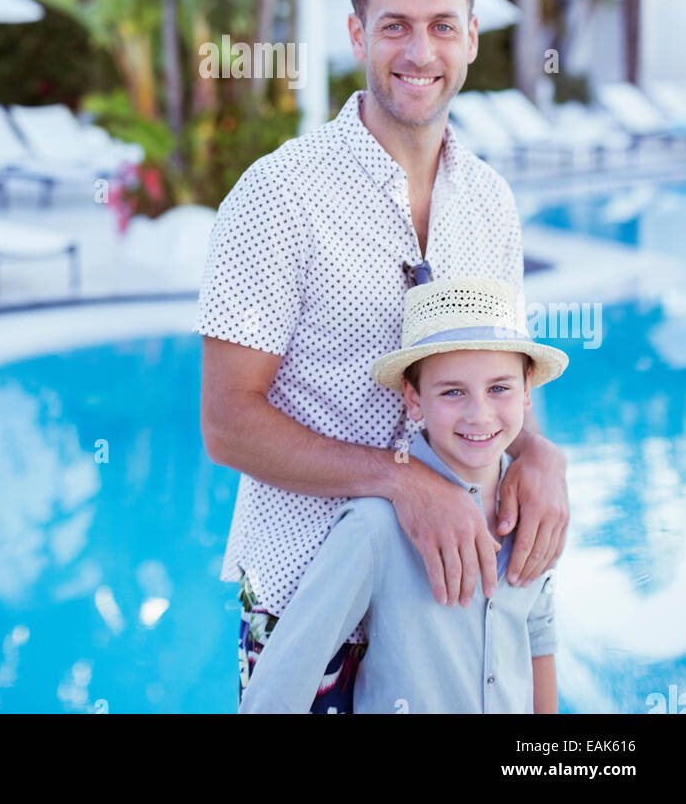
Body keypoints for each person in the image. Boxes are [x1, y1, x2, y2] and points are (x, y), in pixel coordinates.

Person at [197, 0, 569, 713]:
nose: (419, 51)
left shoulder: (492, 201)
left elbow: (504, 376)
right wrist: (402, 485)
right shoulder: (277, 195)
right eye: (394, 25)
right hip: (306, 592)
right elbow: (227, 423)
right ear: (358, 35)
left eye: (442, 26)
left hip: (450, 590)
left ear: (471, 39)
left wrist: (541, 452)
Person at [238, 275, 568, 714]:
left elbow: (538, 635)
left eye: (499, 388)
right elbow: (276, 691)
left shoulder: (534, 508)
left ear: (527, 391)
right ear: (413, 399)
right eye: (452, 392)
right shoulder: (374, 528)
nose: (479, 413)